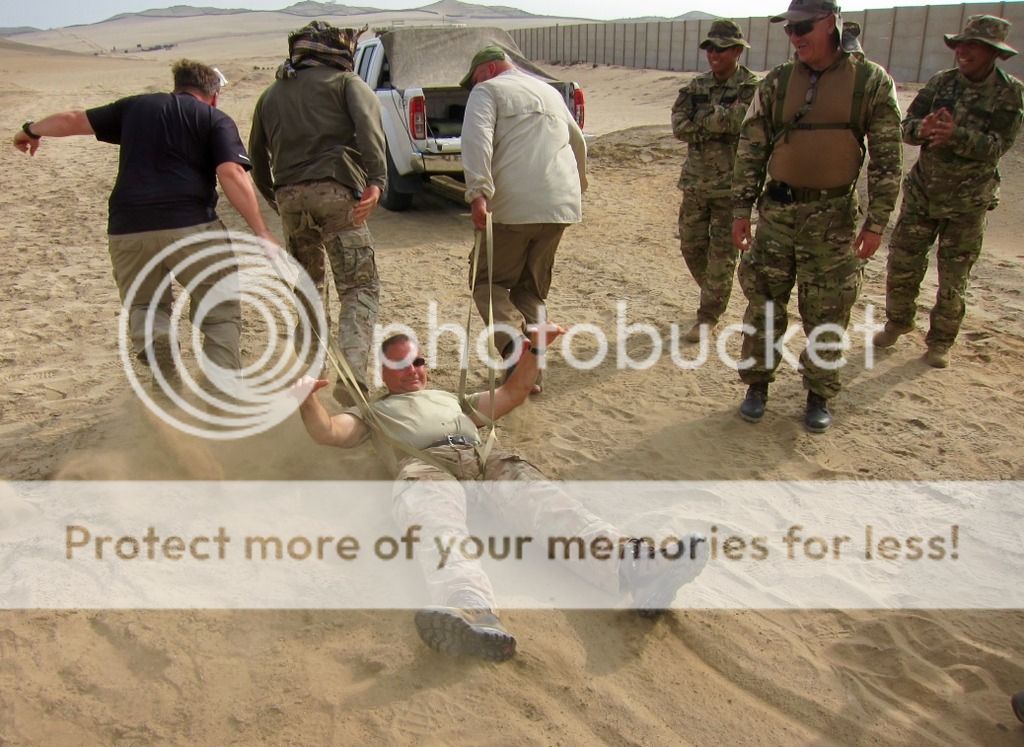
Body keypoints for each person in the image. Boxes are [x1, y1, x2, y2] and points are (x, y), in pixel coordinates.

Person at [295, 324, 708, 661]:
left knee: (550, 505)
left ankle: (637, 567)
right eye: (400, 364)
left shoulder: (450, 398)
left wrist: (535, 350)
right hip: (426, 470)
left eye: (418, 361)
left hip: (486, 459)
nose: (412, 370)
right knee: (436, 527)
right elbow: (329, 432)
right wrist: (306, 401)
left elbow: (512, 394)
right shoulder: (373, 410)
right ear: (383, 373)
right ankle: (472, 609)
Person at [12, 59, 276, 380]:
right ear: (213, 94)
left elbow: (71, 120)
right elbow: (231, 173)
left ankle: (156, 339)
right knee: (219, 311)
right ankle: (221, 393)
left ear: (176, 84)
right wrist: (261, 230)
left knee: (145, 306)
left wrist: (30, 130)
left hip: (128, 229)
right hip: (191, 225)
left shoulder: (134, 108)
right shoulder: (214, 118)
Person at [731, 2, 903, 433]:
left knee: (828, 312)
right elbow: (751, 148)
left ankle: (819, 392)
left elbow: (887, 158)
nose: (795, 37)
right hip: (777, 216)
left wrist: (877, 222)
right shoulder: (778, 82)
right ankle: (757, 385)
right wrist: (741, 211)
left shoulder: (869, 82)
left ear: (831, 24)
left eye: (803, 27)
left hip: (833, 221)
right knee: (762, 306)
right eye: (790, 29)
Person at [873, 15, 1024, 368]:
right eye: (960, 44)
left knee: (954, 278)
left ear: (994, 53)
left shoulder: (1010, 92)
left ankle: (940, 341)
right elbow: (904, 127)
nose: (963, 51)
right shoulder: (941, 83)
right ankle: (898, 322)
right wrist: (922, 129)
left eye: (973, 46)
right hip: (923, 192)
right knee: (902, 263)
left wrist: (955, 137)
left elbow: (999, 145)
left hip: (968, 203)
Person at [249, 21, 387, 405]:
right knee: (359, 287)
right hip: (337, 192)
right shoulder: (347, 84)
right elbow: (369, 131)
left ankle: (311, 382)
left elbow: (256, 158)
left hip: (290, 198)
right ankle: (354, 379)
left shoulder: (270, 94)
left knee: (308, 293)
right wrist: (376, 180)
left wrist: (278, 199)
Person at [460, 46, 588, 390]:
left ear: (486, 70)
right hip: (560, 204)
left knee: (487, 283)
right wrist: (578, 188)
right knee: (530, 289)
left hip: (514, 207)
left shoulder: (487, 91)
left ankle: (515, 351)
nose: (473, 86)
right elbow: (578, 144)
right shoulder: (549, 91)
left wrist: (478, 193)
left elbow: (476, 141)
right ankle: (530, 376)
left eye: (473, 80)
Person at [672, 19, 759, 343]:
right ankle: (715, 293)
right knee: (692, 247)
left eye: (721, 50)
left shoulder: (751, 87)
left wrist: (704, 119)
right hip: (695, 183)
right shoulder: (696, 86)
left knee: (722, 255)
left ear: (737, 51)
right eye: (710, 49)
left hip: (732, 187)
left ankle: (708, 315)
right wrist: (718, 120)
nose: (714, 55)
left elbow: (743, 120)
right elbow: (679, 126)